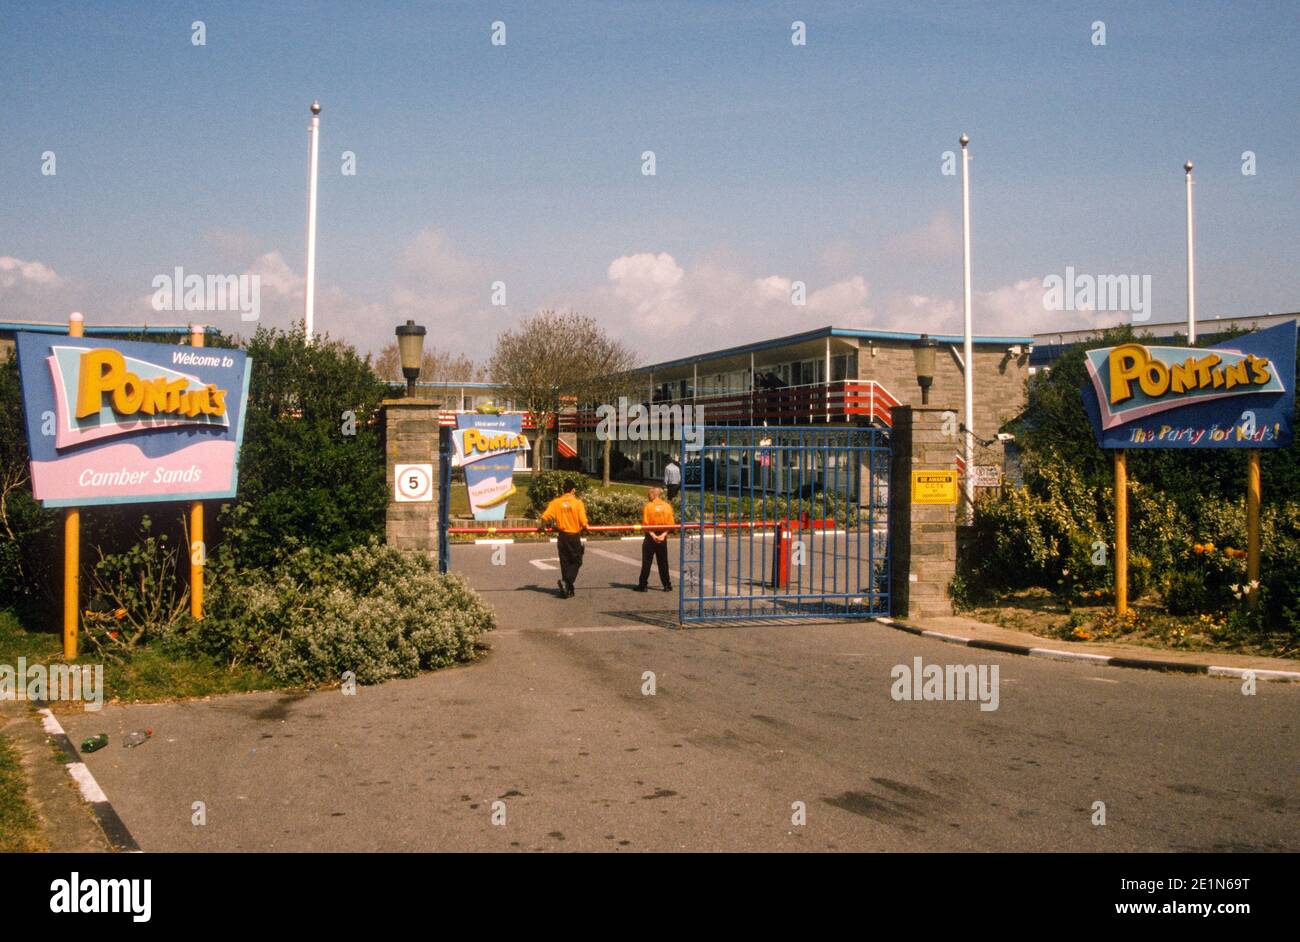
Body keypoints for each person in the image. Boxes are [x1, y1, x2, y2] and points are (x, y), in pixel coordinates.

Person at [541, 479, 589, 598]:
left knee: (565, 562)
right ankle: (566, 582)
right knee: (577, 561)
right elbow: (583, 521)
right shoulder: (577, 503)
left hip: (562, 537)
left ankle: (568, 590)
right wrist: (586, 527)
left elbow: (545, 516)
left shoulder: (556, 502)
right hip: (573, 536)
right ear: (573, 490)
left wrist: (542, 526)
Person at [635, 487, 674, 593]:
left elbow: (645, 524)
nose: (648, 496)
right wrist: (663, 535)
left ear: (653, 494)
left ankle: (643, 585)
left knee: (647, 561)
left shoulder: (648, 506)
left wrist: (652, 535)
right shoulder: (667, 506)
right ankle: (667, 585)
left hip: (650, 536)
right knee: (663, 562)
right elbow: (671, 524)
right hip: (662, 535)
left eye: (649, 494)